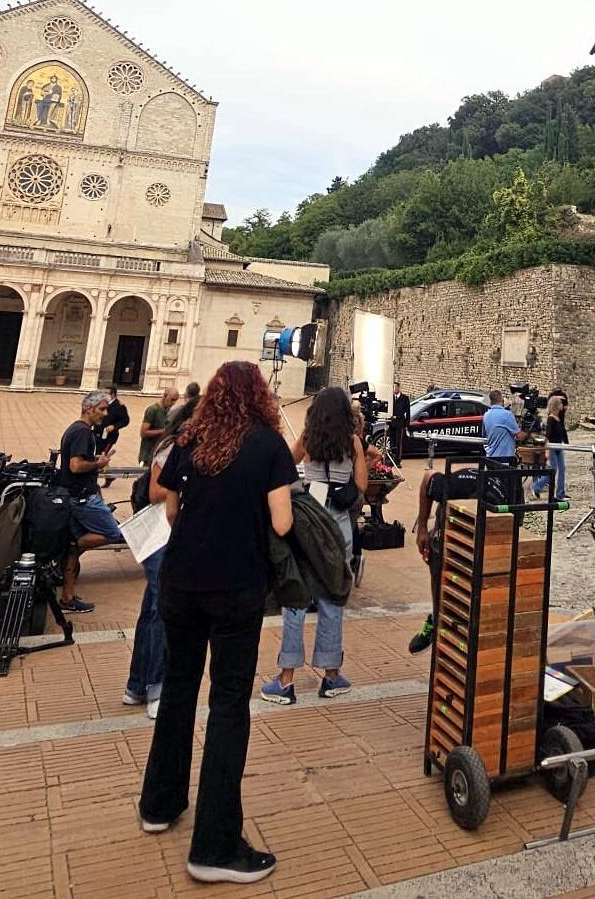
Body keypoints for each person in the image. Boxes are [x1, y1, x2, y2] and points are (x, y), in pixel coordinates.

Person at [139, 361, 296, 884]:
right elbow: (282, 522)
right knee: (229, 705)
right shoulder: (269, 447)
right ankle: (215, 844)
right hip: (236, 587)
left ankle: (159, 804)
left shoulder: (190, 439)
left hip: (181, 583)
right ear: (259, 397)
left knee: (179, 689)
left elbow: (169, 511)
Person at [262, 387, 366, 704]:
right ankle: (331, 676)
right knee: (333, 597)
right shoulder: (352, 442)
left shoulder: (308, 438)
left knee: (297, 596)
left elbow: (284, 465)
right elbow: (361, 486)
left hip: (308, 522)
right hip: (338, 527)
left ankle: (286, 679)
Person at [124, 419, 177, 719]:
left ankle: (136, 685)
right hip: (160, 536)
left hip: (166, 536)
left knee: (151, 610)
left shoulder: (179, 447)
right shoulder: (172, 449)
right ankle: (156, 687)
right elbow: (157, 492)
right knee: (160, 610)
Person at [55, 391, 124, 612]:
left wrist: (94, 460)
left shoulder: (77, 430)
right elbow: (76, 466)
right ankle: (74, 544)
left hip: (74, 495)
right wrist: (98, 463)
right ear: (88, 409)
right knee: (112, 533)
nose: (105, 414)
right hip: (82, 498)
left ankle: (68, 596)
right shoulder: (83, 432)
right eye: (102, 409)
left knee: (75, 550)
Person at [406, 460, 484, 654]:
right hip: (446, 520)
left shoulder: (499, 499)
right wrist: (422, 529)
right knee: (436, 555)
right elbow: (426, 477)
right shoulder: (450, 487)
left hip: (486, 526)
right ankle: (436, 618)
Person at [532, 395, 570, 500]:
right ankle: (536, 486)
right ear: (556, 405)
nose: (563, 405)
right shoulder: (551, 419)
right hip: (552, 447)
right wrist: (547, 450)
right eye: (561, 403)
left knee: (562, 469)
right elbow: (547, 435)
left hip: (559, 446)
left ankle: (560, 494)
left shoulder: (559, 418)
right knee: (553, 470)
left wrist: (567, 443)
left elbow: (562, 432)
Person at [139, 385, 179, 465]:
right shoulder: (153, 410)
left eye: (175, 400)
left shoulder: (169, 411)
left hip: (159, 454)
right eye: (172, 400)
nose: (173, 403)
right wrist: (163, 431)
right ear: (164, 396)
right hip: (148, 455)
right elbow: (143, 433)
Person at [390, 383, 411, 463]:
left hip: (400, 423)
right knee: (392, 441)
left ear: (398, 388)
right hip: (392, 423)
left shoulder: (404, 398)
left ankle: (398, 459)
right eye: (393, 387)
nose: (394, 389)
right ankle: (392, 458)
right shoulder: (391, 398)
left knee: (398, 442)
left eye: (395, 387)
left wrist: (406, 424)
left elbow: (408, 412)